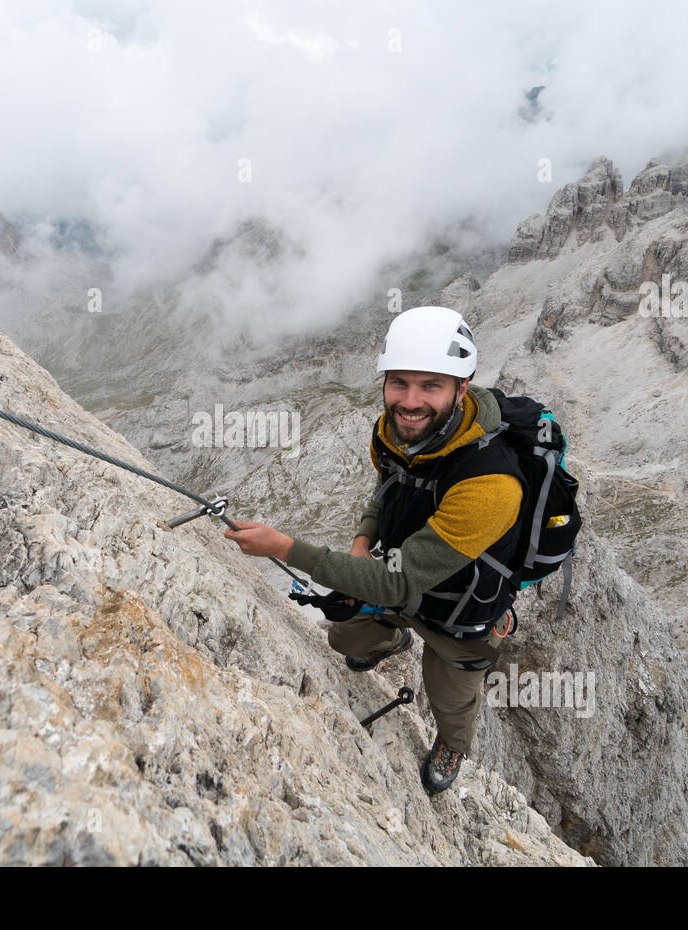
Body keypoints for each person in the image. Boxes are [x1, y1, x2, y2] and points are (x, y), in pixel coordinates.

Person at [224, 306, 525, 795]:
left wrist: (282, 547)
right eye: (399, 382)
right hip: (403, 582)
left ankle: (452, 746)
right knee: (344, 639)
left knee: (451, 704)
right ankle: (395, 641)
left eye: (431, 385)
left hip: (462, 612)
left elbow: (396, 582)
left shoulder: (490, 483)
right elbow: (387, 491)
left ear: (461, 388)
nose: (410, 401)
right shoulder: (393, 433)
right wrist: (364, 539)